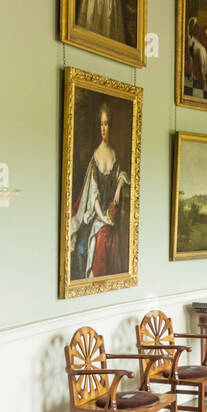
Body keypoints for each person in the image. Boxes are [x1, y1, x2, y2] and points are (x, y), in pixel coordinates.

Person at [70, 101, 129, 279]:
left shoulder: (114, 153)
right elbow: (93, 195)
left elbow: (121, 175)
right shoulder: (96, 156)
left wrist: (118, 189)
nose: (104, 129)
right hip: (95, 215)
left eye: (106, 124)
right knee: (91, 244)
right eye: (101, 124)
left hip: (111, 212)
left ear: (111, 126)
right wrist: (102, 218)